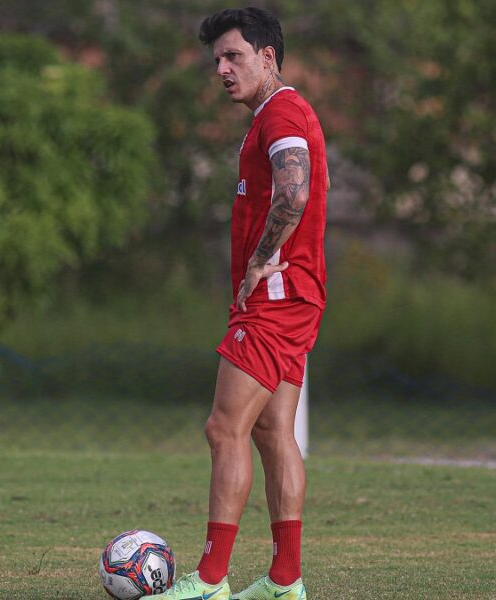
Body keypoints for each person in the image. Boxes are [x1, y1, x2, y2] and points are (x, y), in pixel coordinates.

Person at [155, 7, 328, 600]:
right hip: (294, 294)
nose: (222, 70)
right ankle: (285, 582)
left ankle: (208, 580)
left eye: (233, 57)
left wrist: (259, 259)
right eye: (217, 61)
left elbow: (294, 188)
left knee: (223, 427)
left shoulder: (281, 112)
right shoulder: (274, 114)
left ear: (268, 57)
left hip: (276, 297)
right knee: (273, 432)